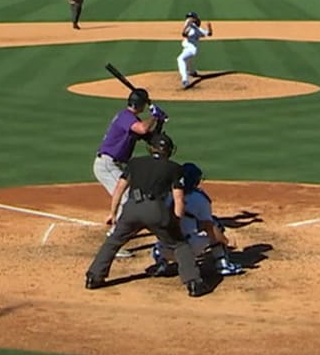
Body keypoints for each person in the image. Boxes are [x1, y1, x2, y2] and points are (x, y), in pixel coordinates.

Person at [86, 132, 208, 297]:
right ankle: (193, 283)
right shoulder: (174, 168)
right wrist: (176, 224)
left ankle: (93, 278)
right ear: (170, 151)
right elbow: (179, 200)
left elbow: (119, 189)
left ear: (151, 149)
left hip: (131, 209)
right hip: (156, 211)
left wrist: (113, 213)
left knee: (113, 241)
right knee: (179, 245)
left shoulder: (135, 163)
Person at [93, 88, 168, 257]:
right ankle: (114, 241)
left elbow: (152, 139)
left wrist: (160, 121)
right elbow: (142, 129)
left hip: (116, 165)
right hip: (107, 164)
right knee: (126, 197)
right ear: (140, 105)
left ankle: (118, 226)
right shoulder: (125, 116)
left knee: (130, 195)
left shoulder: (133, 120)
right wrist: (154, 116)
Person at [149, 162, 244, 278]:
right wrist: (224, 240)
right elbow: (209, 227)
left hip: (165, 248)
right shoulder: (200, 198)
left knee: (161, 239)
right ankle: (223, 265)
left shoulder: (164, 196)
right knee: (215, 224)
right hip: (190, 250)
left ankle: (161, 263)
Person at [177, 11, 213, 89]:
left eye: (190, 17)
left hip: (191, 49)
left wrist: (209, 27)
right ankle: (193, 72)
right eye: (188, 17)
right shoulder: (192, 27)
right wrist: (188, 25)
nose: (188, 18)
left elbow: (184, 34)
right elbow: (184, 33)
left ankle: (185, 80)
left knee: (180, 59)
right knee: (188, 61)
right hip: (188, 48)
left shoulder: (195, 29)